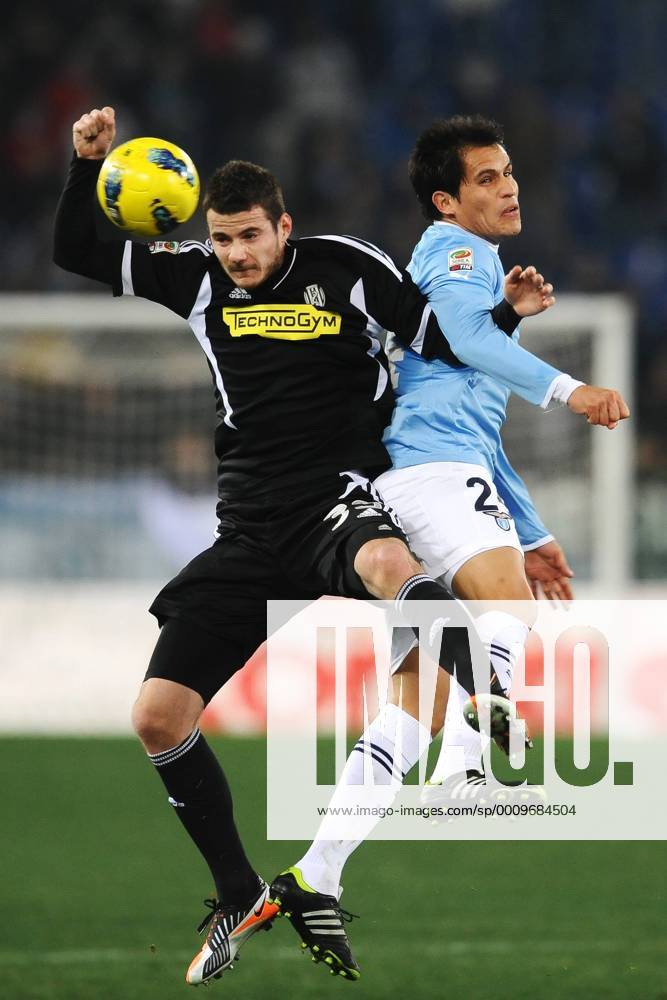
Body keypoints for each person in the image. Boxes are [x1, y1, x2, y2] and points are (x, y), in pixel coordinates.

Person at [54, 106, 539, 987]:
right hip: (246, 529)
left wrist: (502, 319)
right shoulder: (199, 283)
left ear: (283, 227)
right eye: (223, 240)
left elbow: (440, 345)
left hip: (336, 499)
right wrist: (86, 168)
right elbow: (81, 252)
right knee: (157, 720)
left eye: (249, 237)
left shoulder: (346, 270)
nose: (237, 255)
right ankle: (238, 892)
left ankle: (483, 692)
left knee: (394, 568)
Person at [277, 114, 630, 968]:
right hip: (431, 477)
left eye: (509, 172)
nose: (508, 187)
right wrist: (567, 388)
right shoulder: (458, 254)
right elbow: (468, 347)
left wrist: (534, 531)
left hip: (429, 477)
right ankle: (468, 764)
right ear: (447, 200)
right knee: (507, 616)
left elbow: (473, 411)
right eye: (487, 178)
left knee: (412, 703)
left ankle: (315, 873)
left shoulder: (474, 284)